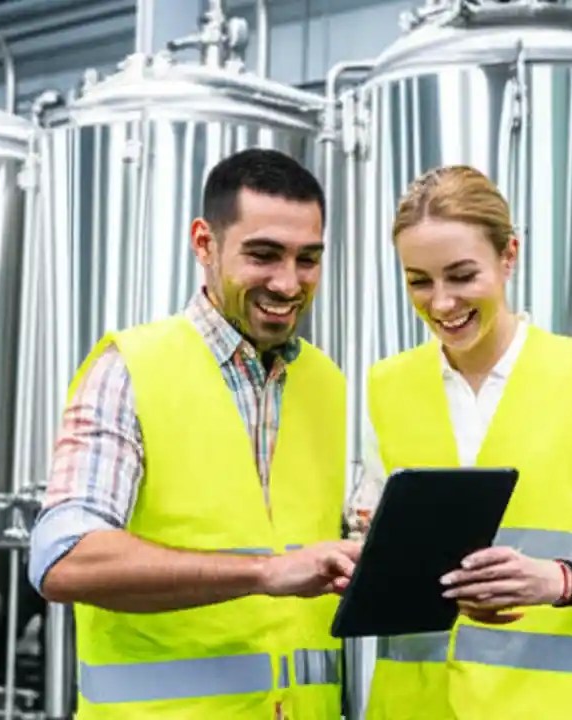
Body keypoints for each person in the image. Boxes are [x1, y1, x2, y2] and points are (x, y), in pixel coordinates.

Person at [28, 148, 360, 720]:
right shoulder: (130, 370)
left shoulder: (327, 384)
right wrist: (264, 574)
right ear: (205, 244)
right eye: (263, 255)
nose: (288, 283)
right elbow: (63, 558)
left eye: (308, 259)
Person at [347, 165, 572, 719]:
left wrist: (554, 581)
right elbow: (371, 555)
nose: (441, 303)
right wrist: (364, 549)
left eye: (462, 275)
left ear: (508, 255)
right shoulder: (387, 388)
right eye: (419, 281)